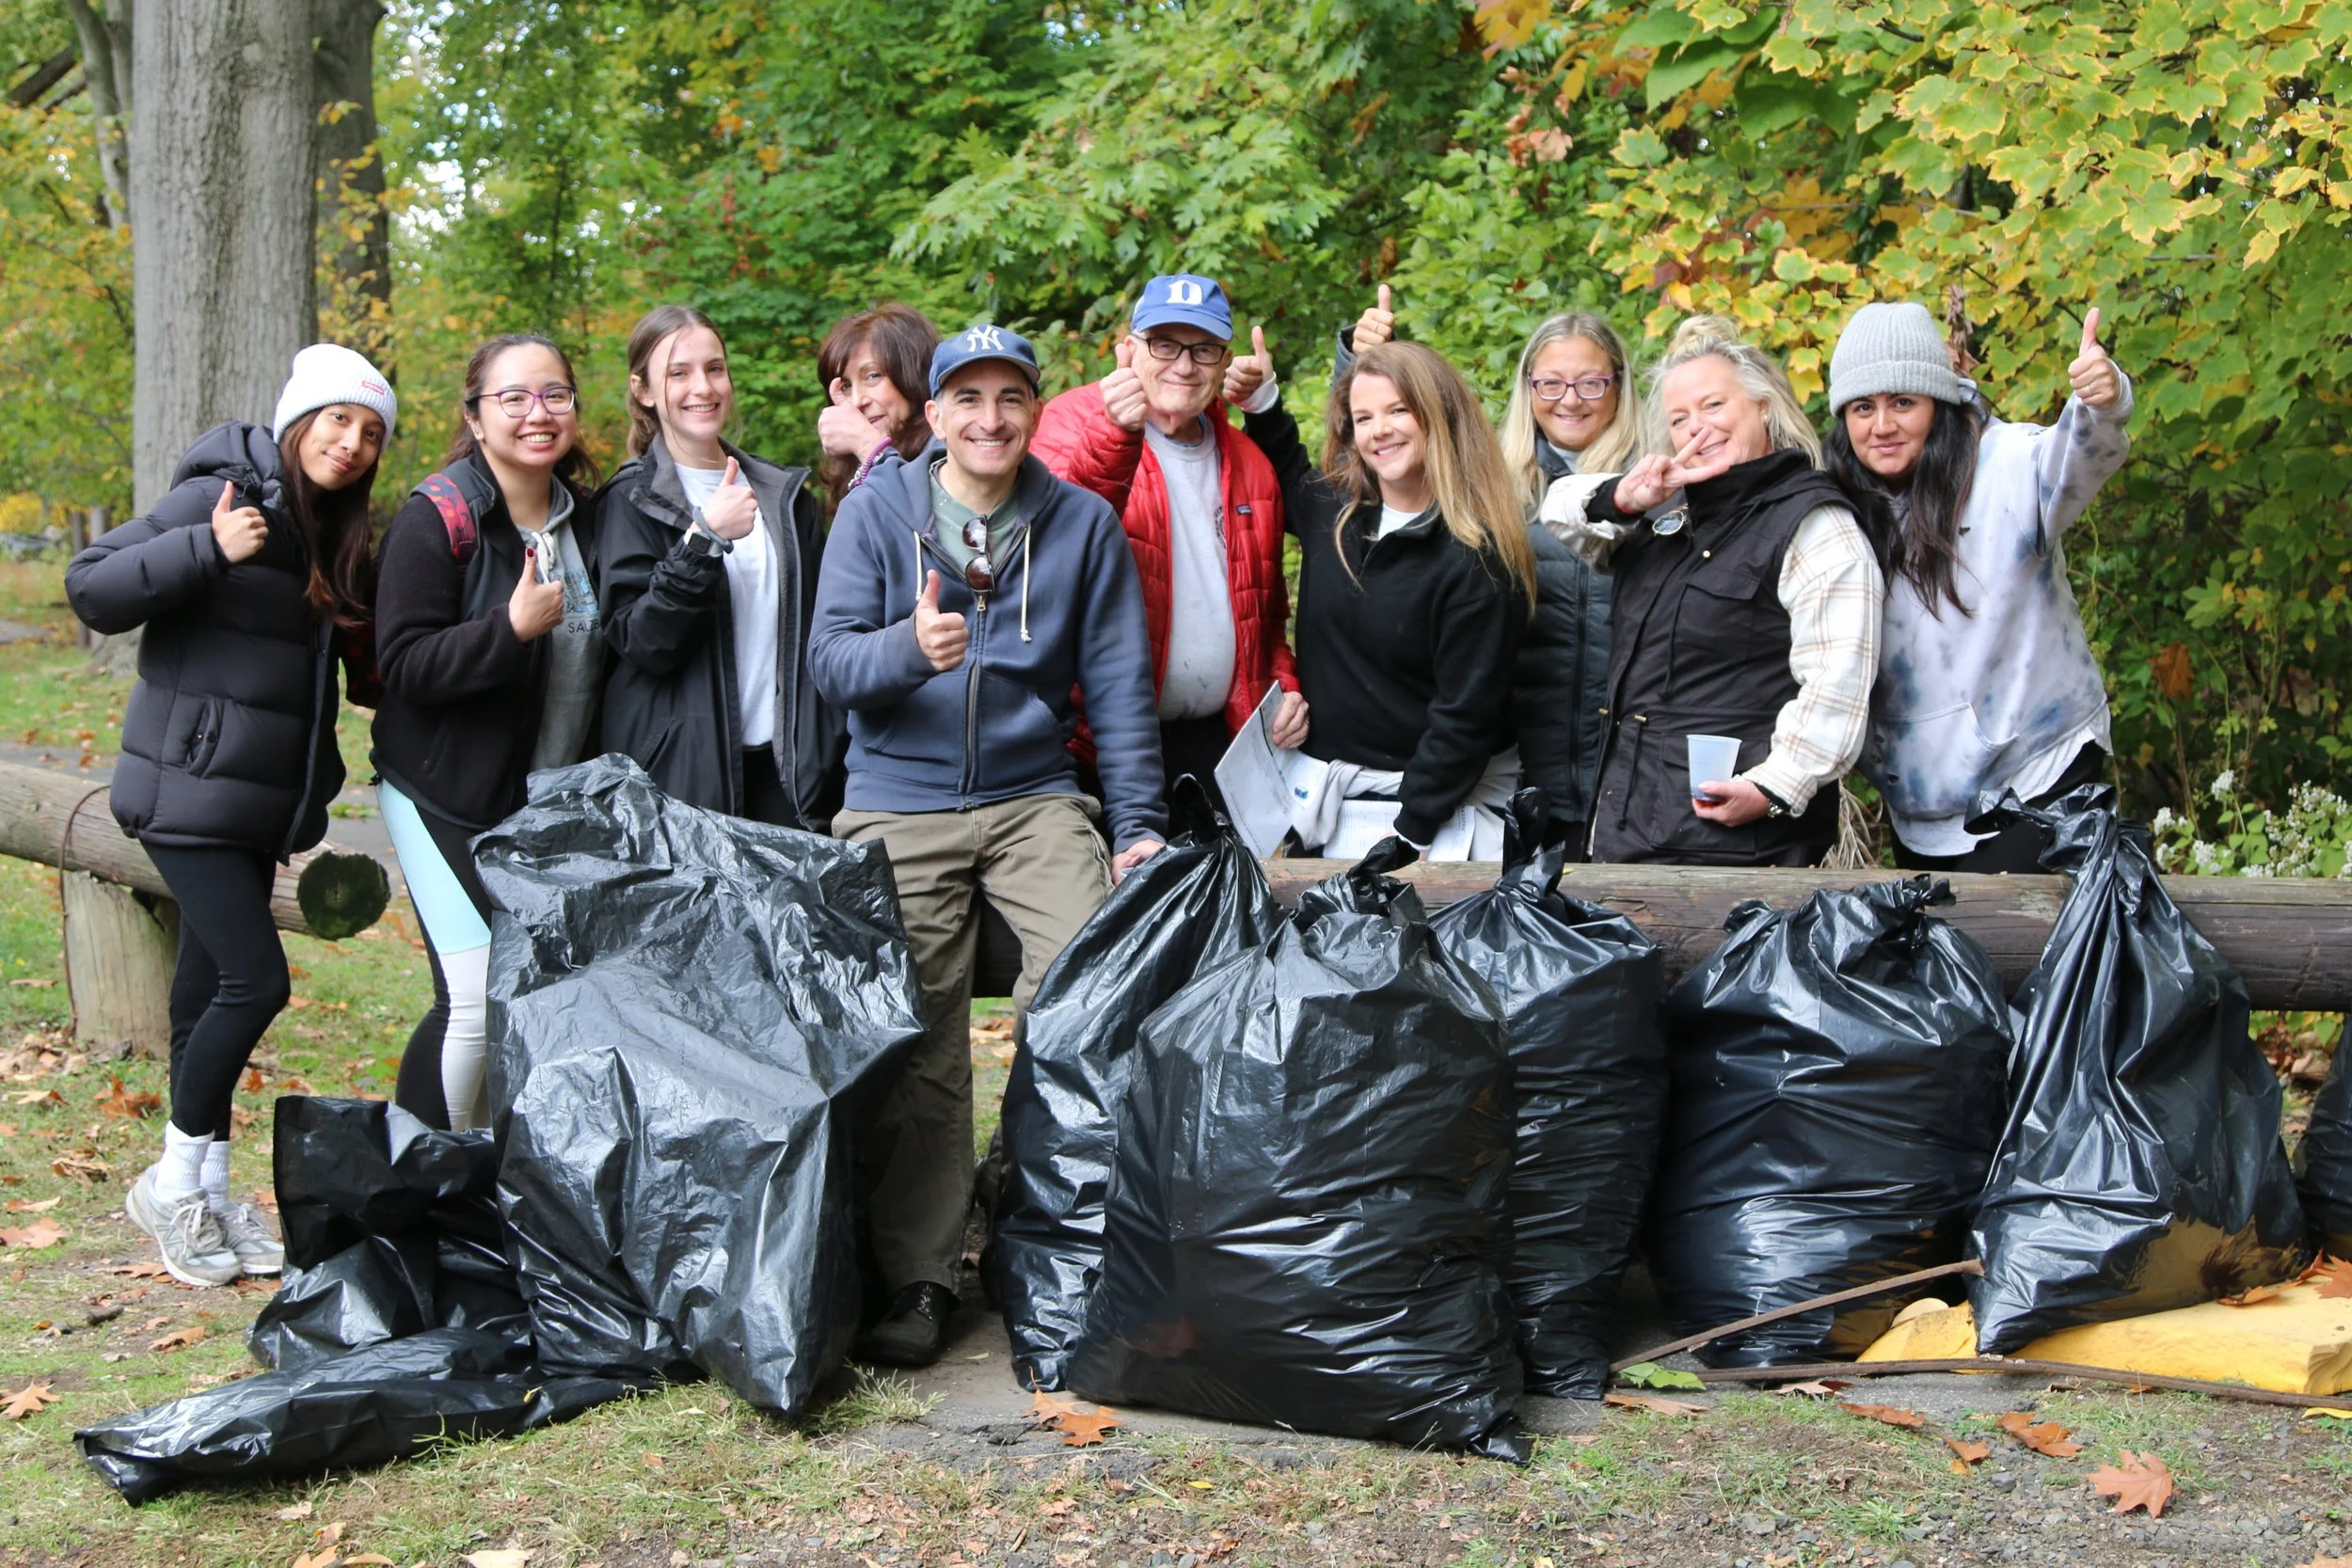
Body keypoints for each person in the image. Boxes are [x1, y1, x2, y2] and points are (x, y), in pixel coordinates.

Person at [809, 324, 1167, 1367]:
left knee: (1088, 991)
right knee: (921, 1037)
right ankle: (921, 1274)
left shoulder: (1079, 523)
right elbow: (829, 664)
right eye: (968, 398)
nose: (990, 418)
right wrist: (905, 651)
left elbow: (1116, 685)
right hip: (898, 801)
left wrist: (1137, 825)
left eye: (1010, 397)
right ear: (934, 414)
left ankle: (1038, 1234)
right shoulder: (877, 511)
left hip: (1032, 793)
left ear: (1034, 410)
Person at [65, 344, 396, 1286]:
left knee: (204, 993)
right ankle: (172, 1183)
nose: (352, 442)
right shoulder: (225, 493)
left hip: (255, 803)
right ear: (300, 417)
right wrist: (209, 546)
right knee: (257, 981)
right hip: (186, 791)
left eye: (371, 432)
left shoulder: (327, 532)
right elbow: (91, 583)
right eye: (339, 419)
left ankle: (203, 1192)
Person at [1541, 315, 1883, 865]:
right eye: (1680, 419)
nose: (1698, 429)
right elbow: (1560, 511)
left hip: (1740, 847)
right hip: (1629, 833)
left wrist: (1776, 786)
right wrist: (1625, 497)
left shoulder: (1815, 524)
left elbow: (1839, 679)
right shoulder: (1664, 517)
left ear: (1763, 407)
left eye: (1714, 406)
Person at [373, 334, 603, 1132]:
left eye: (555, 395)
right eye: (514, 398)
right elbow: (399, 665)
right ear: (475, 417)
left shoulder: (589, 517)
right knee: (470, 997)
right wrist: (507, 629)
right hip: (442, 793)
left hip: (542, 803)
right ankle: (412, 1190)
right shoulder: (439, 516)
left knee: (520, 1004)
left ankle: (471, 1184)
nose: (537, 414)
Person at [1829, 300, 2133, 871]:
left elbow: (2076, 457)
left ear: (1937, 403)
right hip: (1920, 805)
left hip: (2038, 778)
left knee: (2037, 955)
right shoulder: (1837, 508)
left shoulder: (2004, 464)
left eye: (1903, 402)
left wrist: (2103, 400)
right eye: (1863, 406)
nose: (1882, 425)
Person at [1351, 290, 1638, 848]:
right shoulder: (1489, 491)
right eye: (1550, 383)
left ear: (1619, 387)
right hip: (1514, 770)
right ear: (1528, 389)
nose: (1570, 400)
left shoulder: (1654, 490)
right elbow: (1383, 460)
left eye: (1591, 383)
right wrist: (1360, 362)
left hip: (1623, 770)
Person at [1241, 337, 1536, 856]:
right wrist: (1263, 401)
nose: (1380, 430)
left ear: (1437, 416)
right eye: (1364, 417)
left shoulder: (1478, 558)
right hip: (1328, 800)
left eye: (1399, 410)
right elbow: (1285, 471)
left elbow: (1465, 717)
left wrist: (1410, 832)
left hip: (1432, 815)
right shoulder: (1334, 511)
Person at [1031, 273, 1306, 792]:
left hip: (1217, 745)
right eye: (1165, 345)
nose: (1183, 365)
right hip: (1097, 745)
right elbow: (1049, 557)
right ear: (1129, 349)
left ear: (1225, 362)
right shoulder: (1068, 425)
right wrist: (1115, 436)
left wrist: (1283, 689)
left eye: (1204, 350)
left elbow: (1265, 615)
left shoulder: (1250, 464)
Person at [597, 305, 842, 826]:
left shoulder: (784, 496)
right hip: (683, 785)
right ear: (643, 391)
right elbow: (644, 642)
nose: (702, 387)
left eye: (714, 368)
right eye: (678, 373)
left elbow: (824, 635)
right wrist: (702, 540)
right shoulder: (628, 500)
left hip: (790, 778)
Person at [814, 303, 941, 515]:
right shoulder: (853, 469)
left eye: (873, 376)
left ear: (914, 376)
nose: (856, 401)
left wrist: (870, 449)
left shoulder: (952, 448)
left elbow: (926, 524)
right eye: (845, 386)